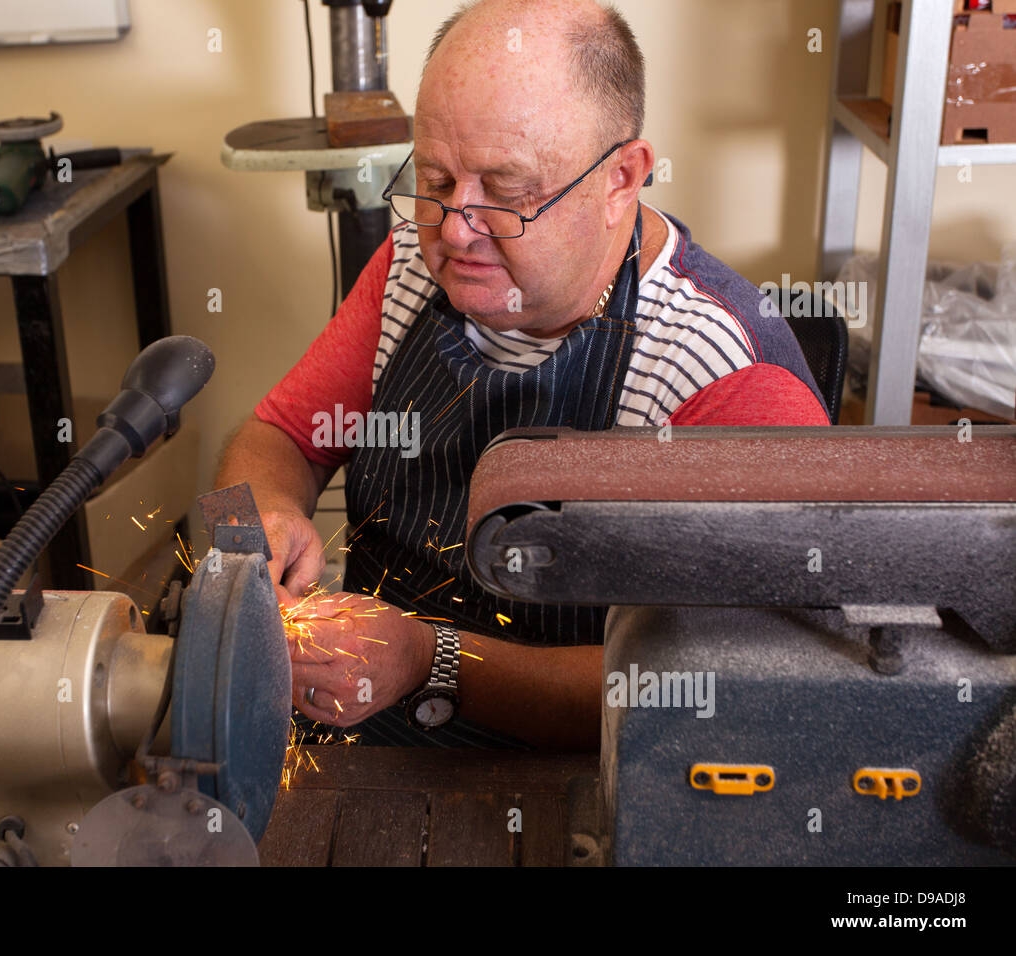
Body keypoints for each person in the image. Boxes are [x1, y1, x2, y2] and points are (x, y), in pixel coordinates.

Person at [216, 0, 828, 750]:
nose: (454, 228)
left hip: (579, 774)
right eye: (436, 179)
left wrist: (429, 659)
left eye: (507, 192)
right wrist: (267, 519)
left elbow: (717, 685)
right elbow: (279, 436)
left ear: (620, 179)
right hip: (362, 714)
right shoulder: (413, 263)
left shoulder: (724, 376)